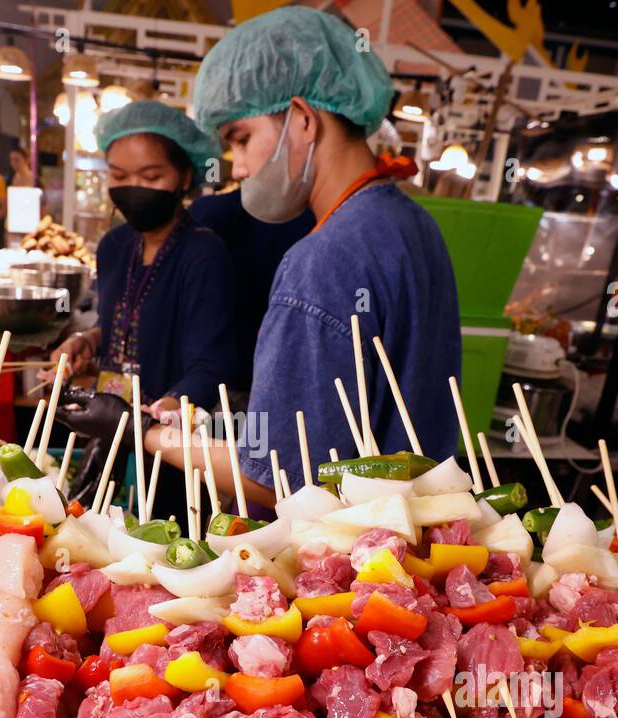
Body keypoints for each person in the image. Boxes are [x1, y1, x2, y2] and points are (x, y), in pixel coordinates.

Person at [132, 6, 460, 505]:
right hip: (414, 547)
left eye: (241, 139)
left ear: (304, 120)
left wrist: (146, 434)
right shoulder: (416, 225)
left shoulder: (322, 259)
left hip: (345, 562)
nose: (236, 166)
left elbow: (278, 476)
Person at [49, 99, 236, 416]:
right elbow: (122, 320)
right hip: (109, 426)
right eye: (119, 176)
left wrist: (162, 413)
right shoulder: (113, 246)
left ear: (185, 177)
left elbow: (209, 367)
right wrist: (90, 339)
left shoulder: (204, 256)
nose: (134, 189)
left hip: (170, 443)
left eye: (150, 178)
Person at [188, 189, 314, 398]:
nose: (237, 167)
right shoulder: (314, 219)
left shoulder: (210, 212)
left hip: (222, 380)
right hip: (270, 375)